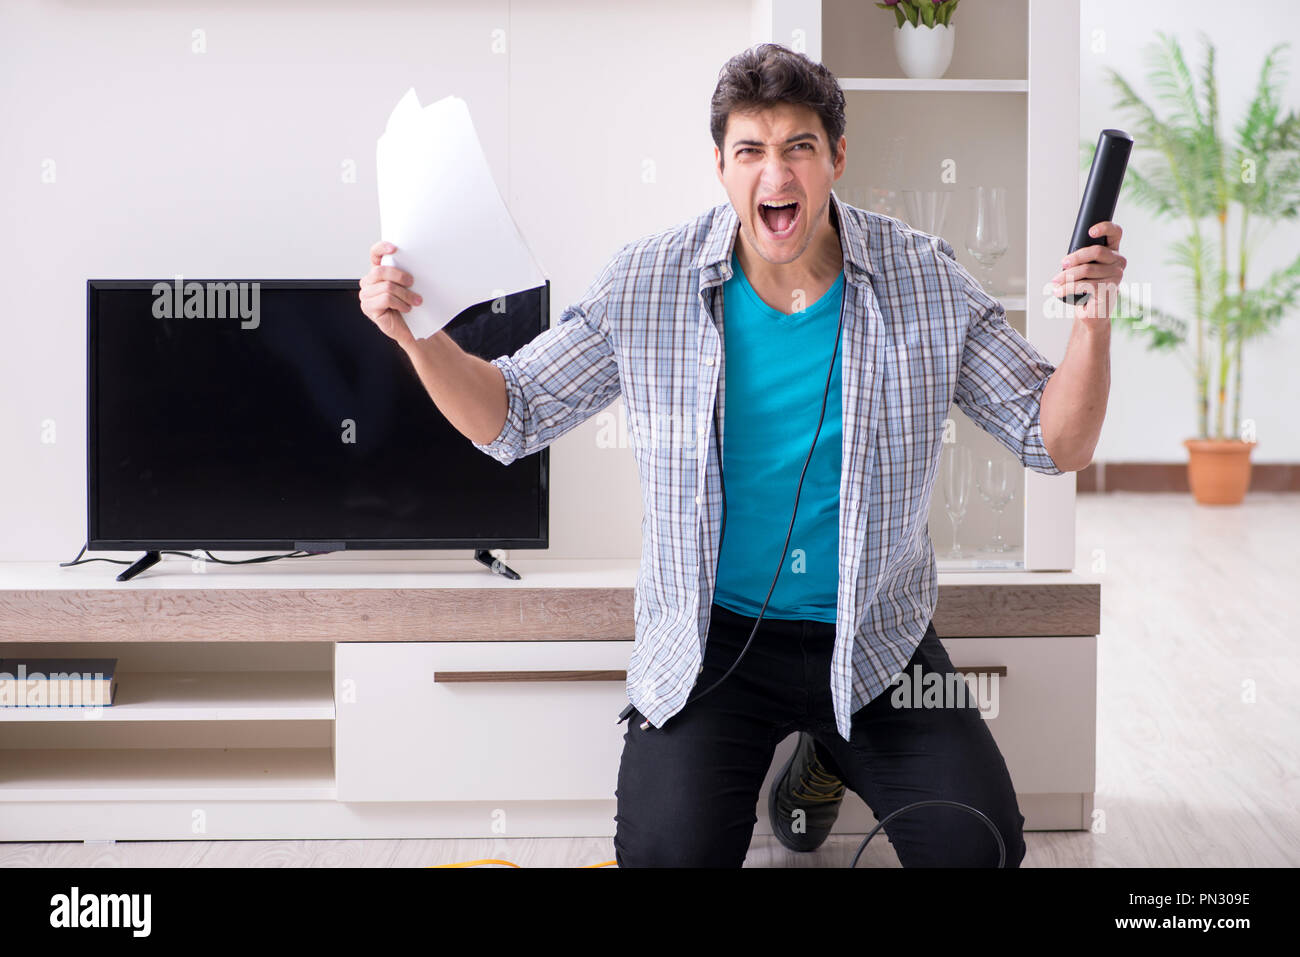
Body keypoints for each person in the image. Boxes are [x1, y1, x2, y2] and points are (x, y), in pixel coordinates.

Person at [358, 43, 1124, 867]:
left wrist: (1093, 319)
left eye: (799, 147)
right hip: (712, 640)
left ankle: (829, 752)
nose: (776, 174)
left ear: (836, 157)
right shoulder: (647, 281)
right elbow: (512, 414)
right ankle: (811, 750)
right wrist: (417, 333)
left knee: (978, 848)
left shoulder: (924, 278)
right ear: (719, 165)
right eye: (752, 151)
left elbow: (1056, 441)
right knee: (668, 855)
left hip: (874, 637)